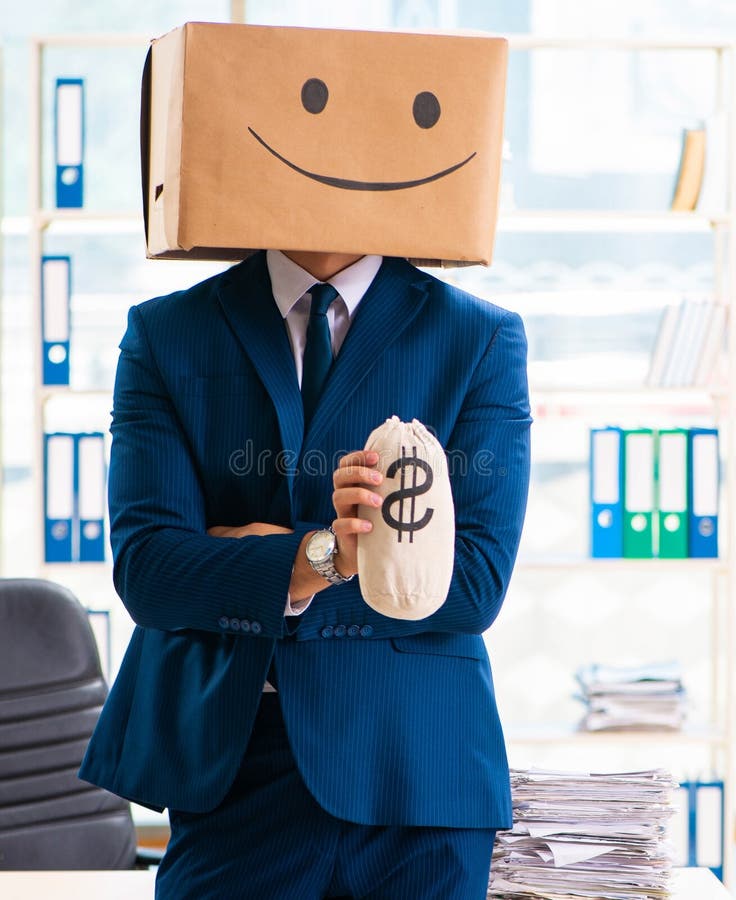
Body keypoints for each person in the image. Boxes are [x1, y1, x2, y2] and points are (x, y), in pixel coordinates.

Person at [79, 245, 531, 899]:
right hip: (237, 766)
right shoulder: (170, 330)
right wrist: (328, 554)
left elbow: (472, 585)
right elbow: (152, 573)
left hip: (416, 766)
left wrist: (256, 561)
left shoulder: (477, 335)